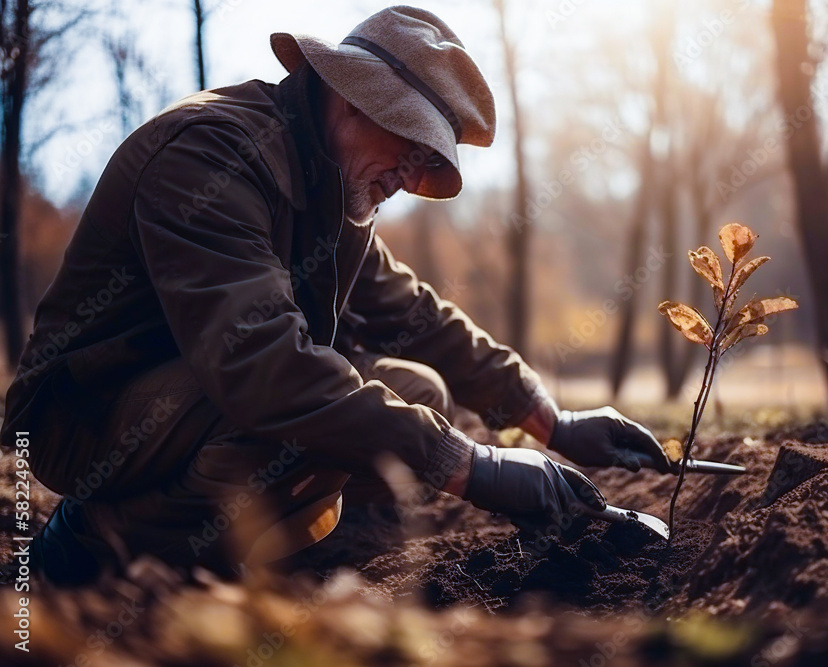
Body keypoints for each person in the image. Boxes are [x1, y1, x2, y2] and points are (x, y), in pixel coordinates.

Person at [0, 6, 671, 585]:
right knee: (282, 417)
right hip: (84, 415)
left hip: (194, 392)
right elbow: (263, 367)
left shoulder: (331, 186)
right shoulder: (211, 156)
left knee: (418, 392)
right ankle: (88, 541)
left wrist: (550, 420)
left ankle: (317, 562)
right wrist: (470, 465)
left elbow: (414, 313)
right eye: (409, 149)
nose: (409, 179)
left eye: (425, 162)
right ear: (355, 95)